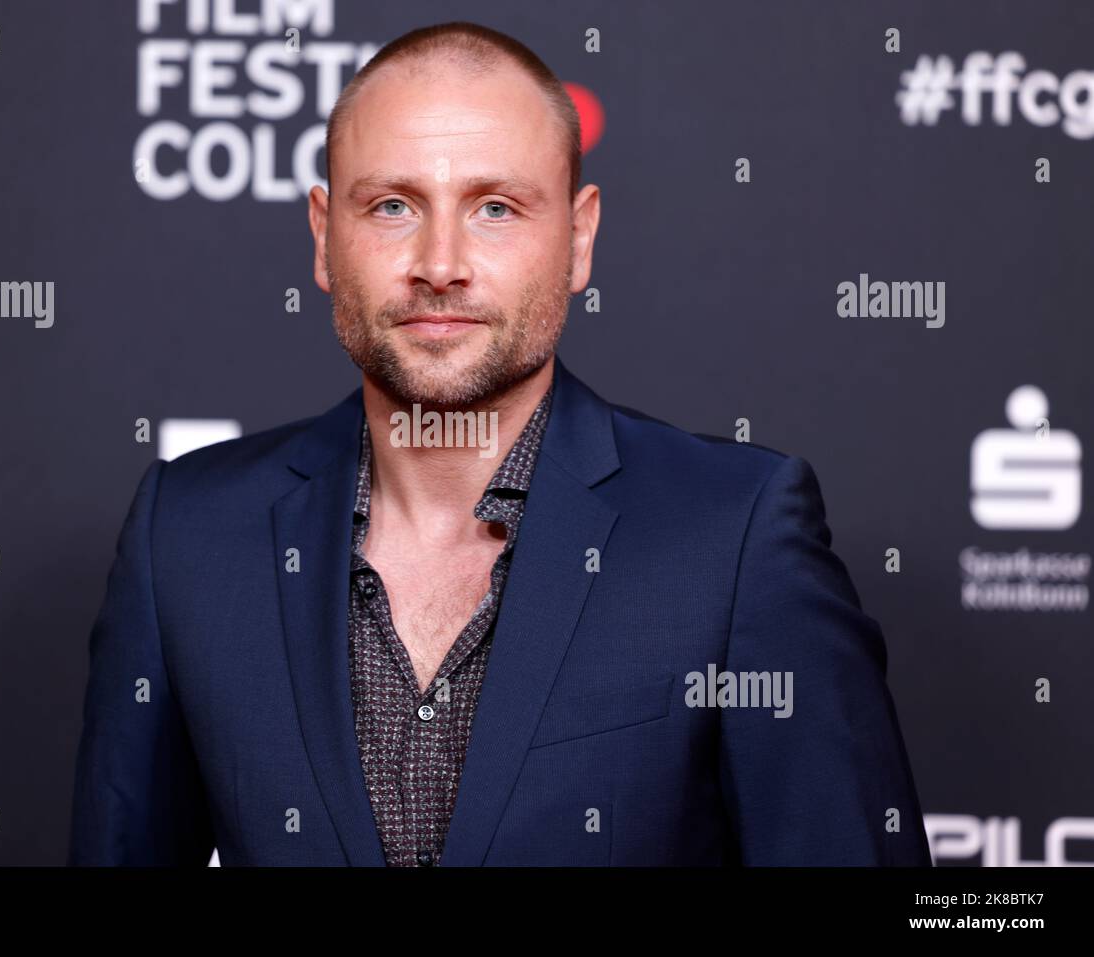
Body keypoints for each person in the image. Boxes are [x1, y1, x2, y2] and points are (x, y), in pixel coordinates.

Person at [68, 21, 931, 866]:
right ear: (325, 236)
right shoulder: (186, 535)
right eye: (394, 205)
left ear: (579, 238)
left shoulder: (736, 537)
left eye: (495, 207)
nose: (440, 262)